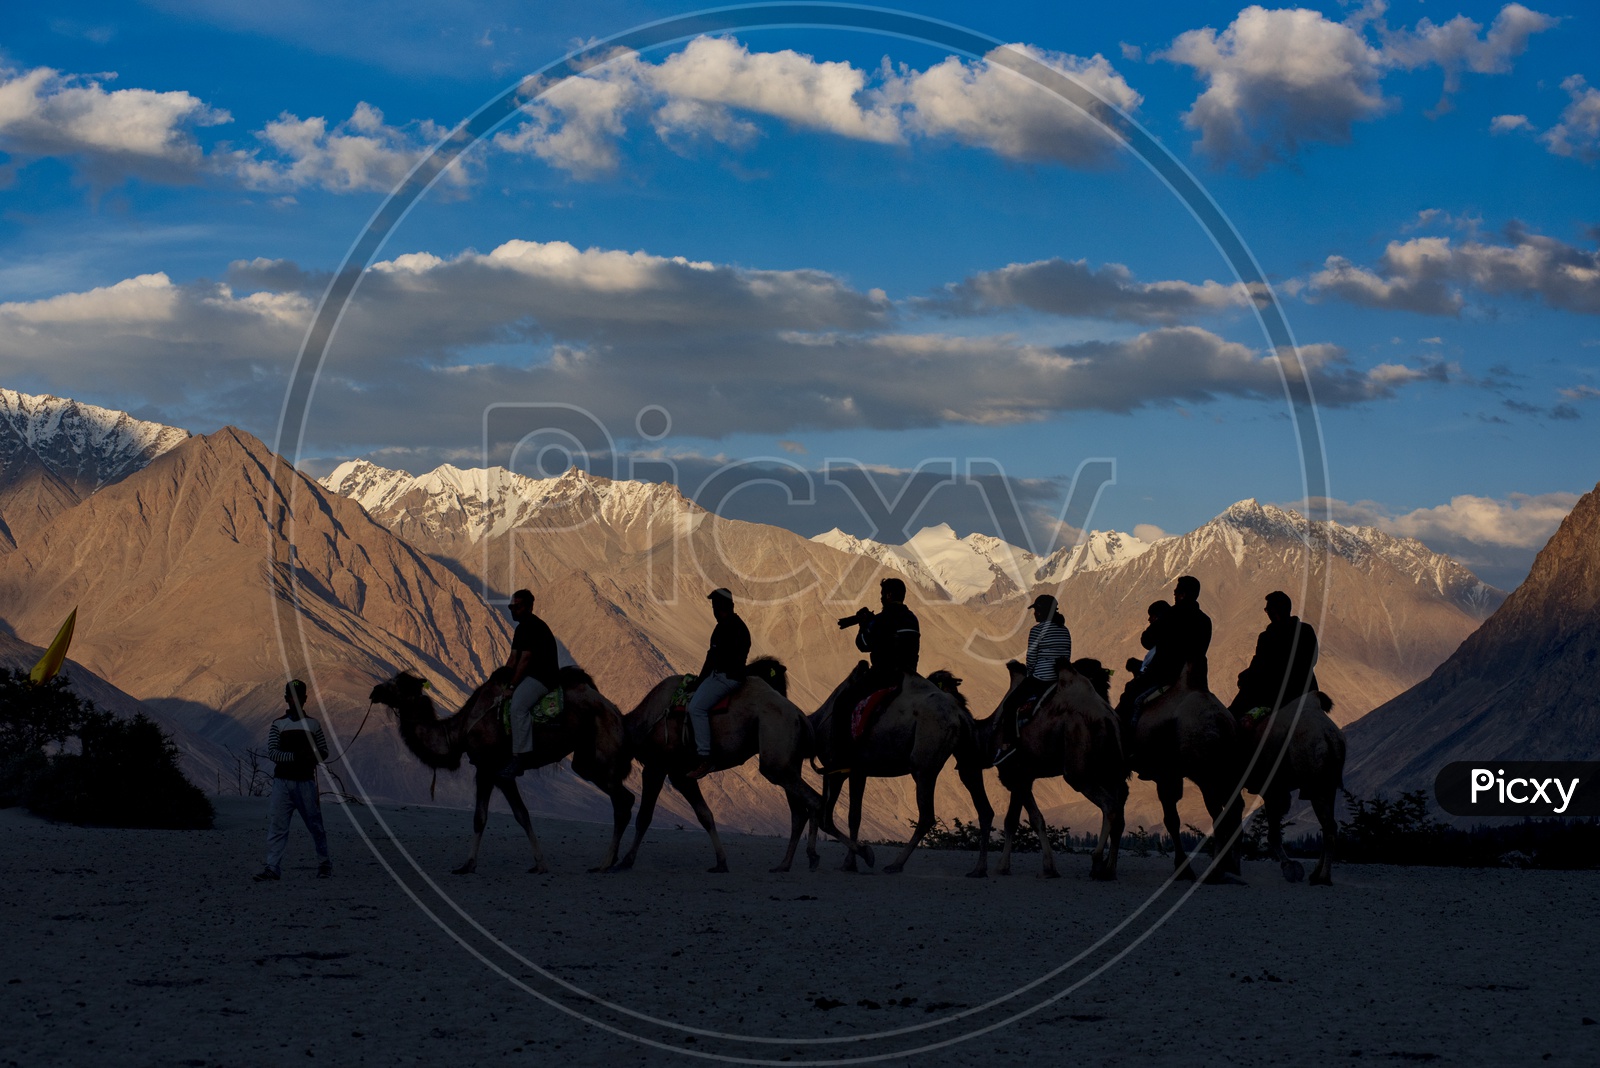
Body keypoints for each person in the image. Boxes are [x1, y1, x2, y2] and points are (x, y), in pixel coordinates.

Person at [829, 577, 921, 772]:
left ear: (889, 595)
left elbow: (863, 644)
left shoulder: (882, 619)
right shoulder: (912, 618)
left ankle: (842, 759)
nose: (880, 599)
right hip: (911, 676)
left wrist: (864, 624)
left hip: (884, 675)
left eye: (882, 595)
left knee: (843, 702)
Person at [253, 680, 331, 881]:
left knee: (315, 825)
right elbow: (273, 753)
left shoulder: (314, 724)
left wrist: (310, 756)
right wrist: (299, 756)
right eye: (292, 697)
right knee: (278, 826)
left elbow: (324, 751)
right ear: (286, 699)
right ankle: (272, 867)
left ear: (305, 699)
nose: (295, 700)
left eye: (299, 697)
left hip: (304, 782)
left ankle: (324, 864)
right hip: (283, 782)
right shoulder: (278, 724)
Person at [994, 594, 1072, 763]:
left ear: (1042, 612)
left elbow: (1031, 660)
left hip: (1041, 679)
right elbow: (1067, 656)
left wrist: (1029, 676)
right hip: (1060, 680)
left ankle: (1008, 745)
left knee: (1010, 704)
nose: (1034, 614)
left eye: (1036, 610)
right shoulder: (1065, 630)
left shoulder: (1036, 631)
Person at [684, 588, 751, 781]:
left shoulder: (724, 628)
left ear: (722, 607)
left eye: (715, 606)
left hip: (725, 678)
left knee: (696, 708)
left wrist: (699, 682)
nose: (714, 611)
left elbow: (712, 658)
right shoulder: (740, 626)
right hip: (733, 675)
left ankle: (704, 756)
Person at [498, 588, 561, 780]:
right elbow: (513, 659)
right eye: (511, 607)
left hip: (542, 677)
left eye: (517, 607)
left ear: (529, 607)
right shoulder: (521, 629)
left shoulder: (534, 627)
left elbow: (525, 660)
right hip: (529, 676)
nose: (513, 610)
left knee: (518, 707)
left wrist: (511, 687)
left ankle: (520, 756)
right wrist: (500, 680)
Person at [1231, 591, 1320, 718]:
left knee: (1237, 713)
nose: (1268, 613)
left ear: (1276, 611)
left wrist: (1245, 677)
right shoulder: (1306, 630)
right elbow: (1313, 659)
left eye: (1268, 609)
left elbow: (1259, 667)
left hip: (1276, 694)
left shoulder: (1267, 637)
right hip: (1308, 688)